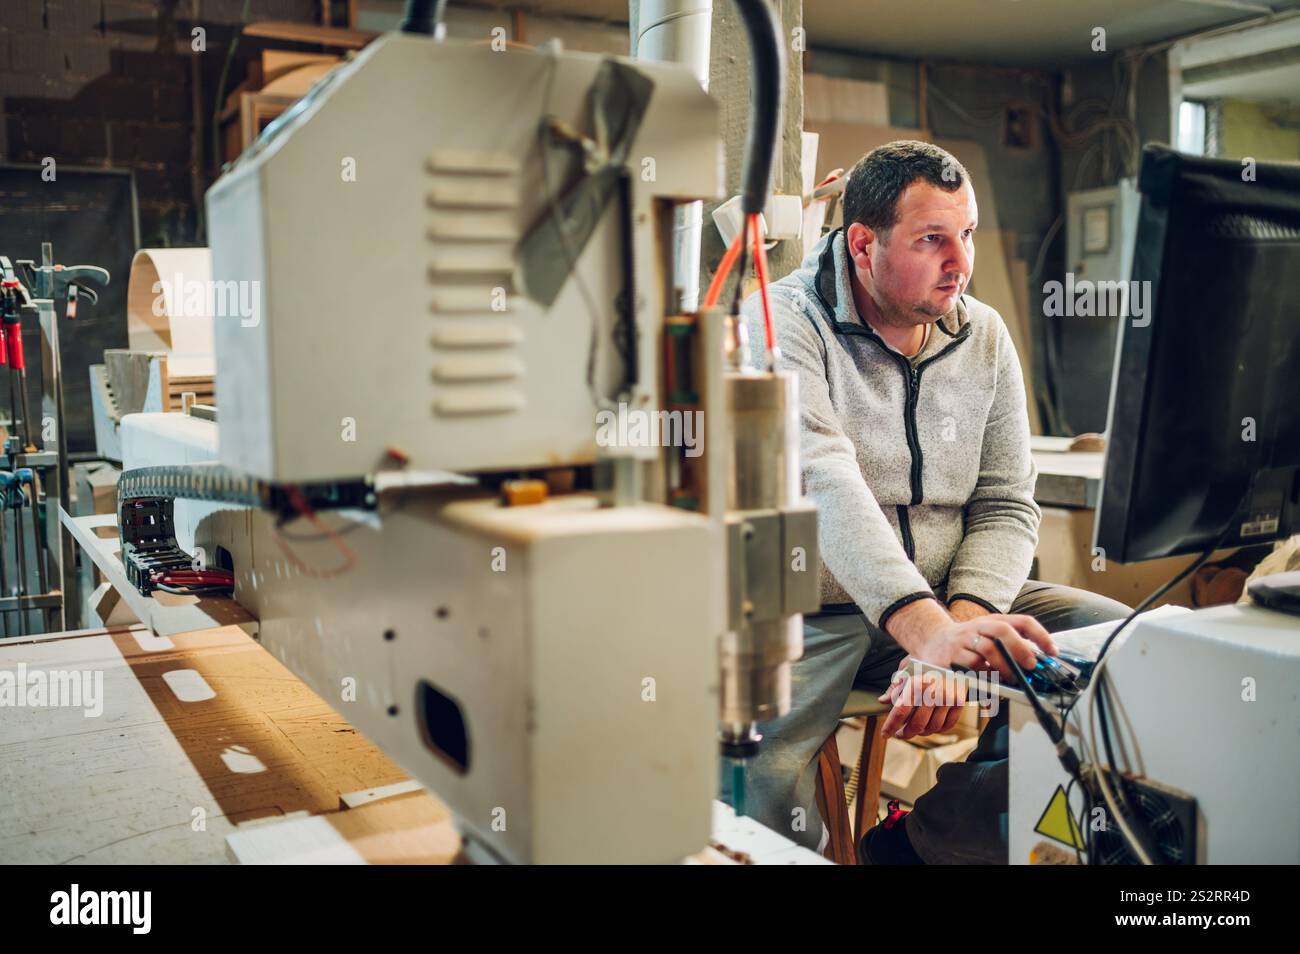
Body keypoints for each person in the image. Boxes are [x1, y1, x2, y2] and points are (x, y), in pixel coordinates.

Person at [727, 140, 1130, 864]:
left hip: (951, 598)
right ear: (863, 244)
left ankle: (918, 847)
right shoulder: (783, 322)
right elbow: (820, 484)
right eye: (932, 240)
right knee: (754, 763)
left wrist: (962, 629)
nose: (961, 262)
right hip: (812, 610)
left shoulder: (984, 336)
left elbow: (1006, 504)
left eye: (968, 234)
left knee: (1123, 653)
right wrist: (926, 633)